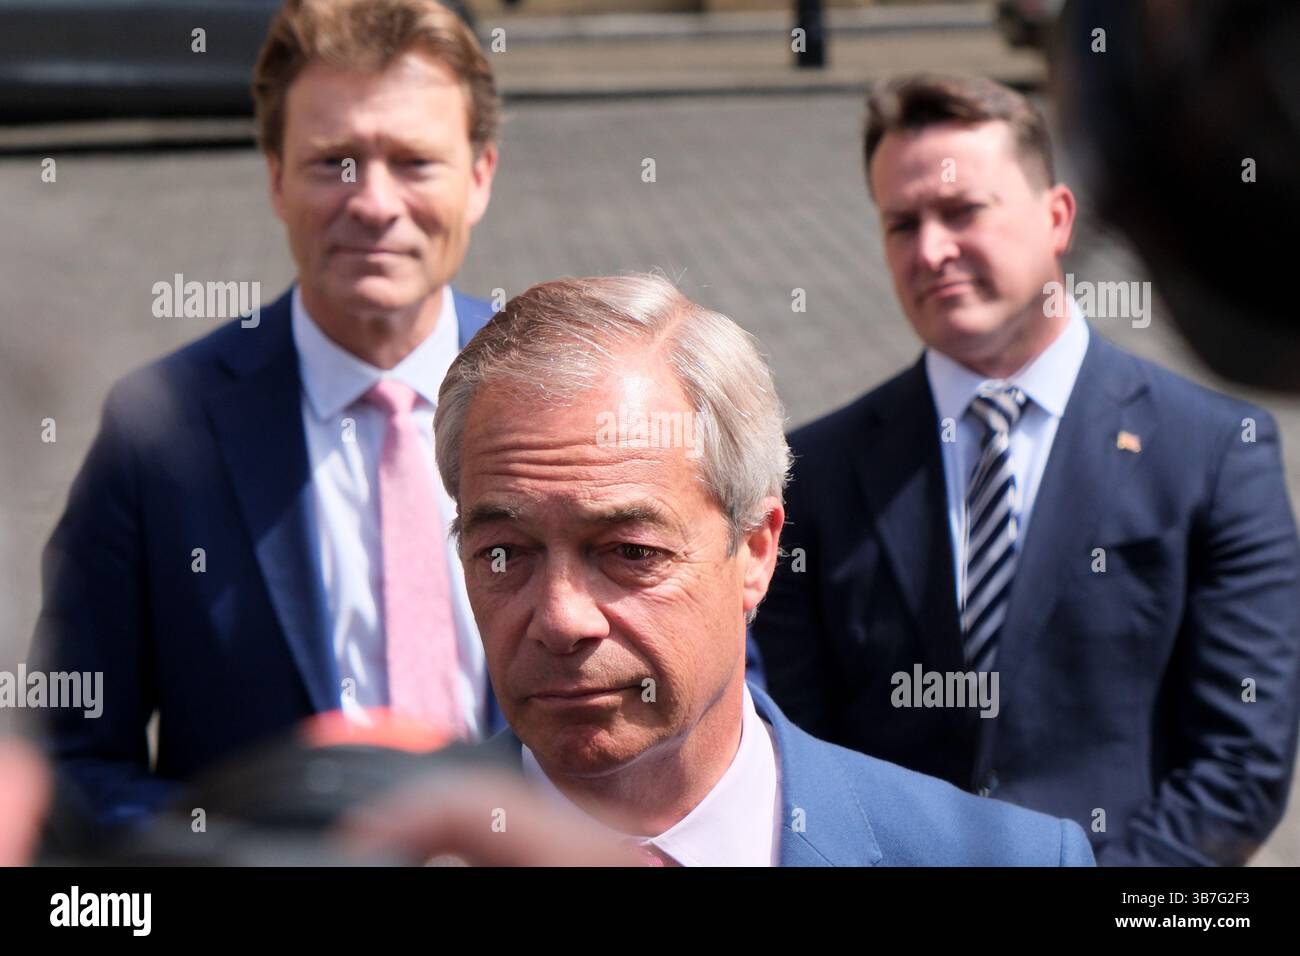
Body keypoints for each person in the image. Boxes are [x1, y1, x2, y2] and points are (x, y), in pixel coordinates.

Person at [751, 74, 1300, 865]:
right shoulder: (816, 475)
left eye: (962, 212)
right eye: (902, 223)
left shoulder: (1213, 451)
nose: (932, 249)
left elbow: (1241, 762)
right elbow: (795, 745)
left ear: (1057, 218)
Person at [424, 273, 1095, 866]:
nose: (561, 618)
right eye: (504, 555)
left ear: (755, 551)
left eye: (630, 552)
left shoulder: (1001, 858)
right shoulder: (372, 850)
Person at [31, 0, 503, 830]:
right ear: (276, 177)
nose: (374, 203)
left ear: (480, 176)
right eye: (335, 162)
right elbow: (69, 760)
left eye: (415, 161)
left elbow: (711, 706)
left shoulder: (570, 396)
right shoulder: (159, 434)